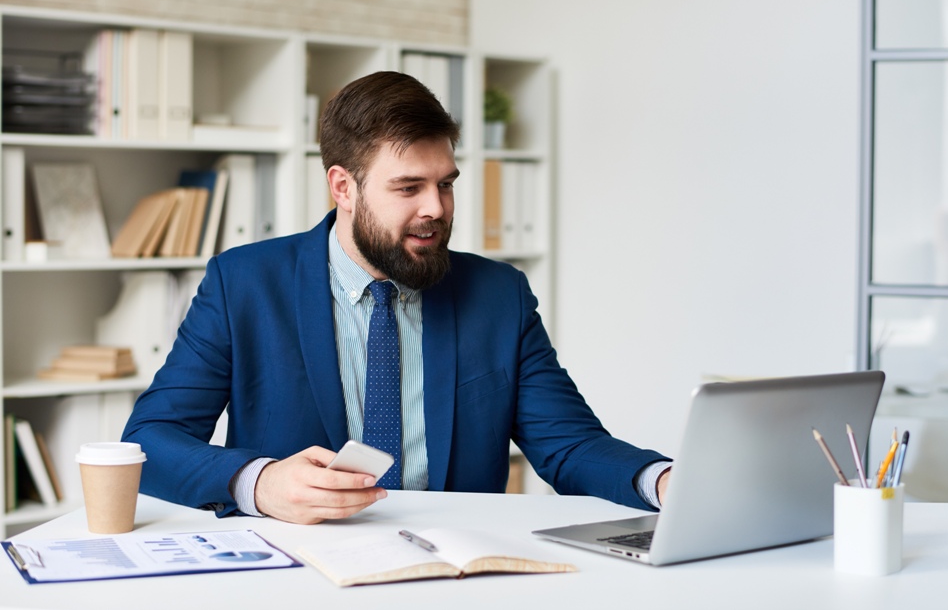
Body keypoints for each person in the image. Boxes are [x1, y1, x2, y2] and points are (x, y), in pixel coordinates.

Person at [122, 71, 672, 524]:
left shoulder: (500, 295)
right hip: (297, 572)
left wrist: (666, 482)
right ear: (344, 188)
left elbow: (570, 445)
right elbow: (150, 440)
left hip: (457, 571)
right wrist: (257, 481)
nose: (435, 207)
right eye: (408, 188)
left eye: (446, 183)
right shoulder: (242, 283)